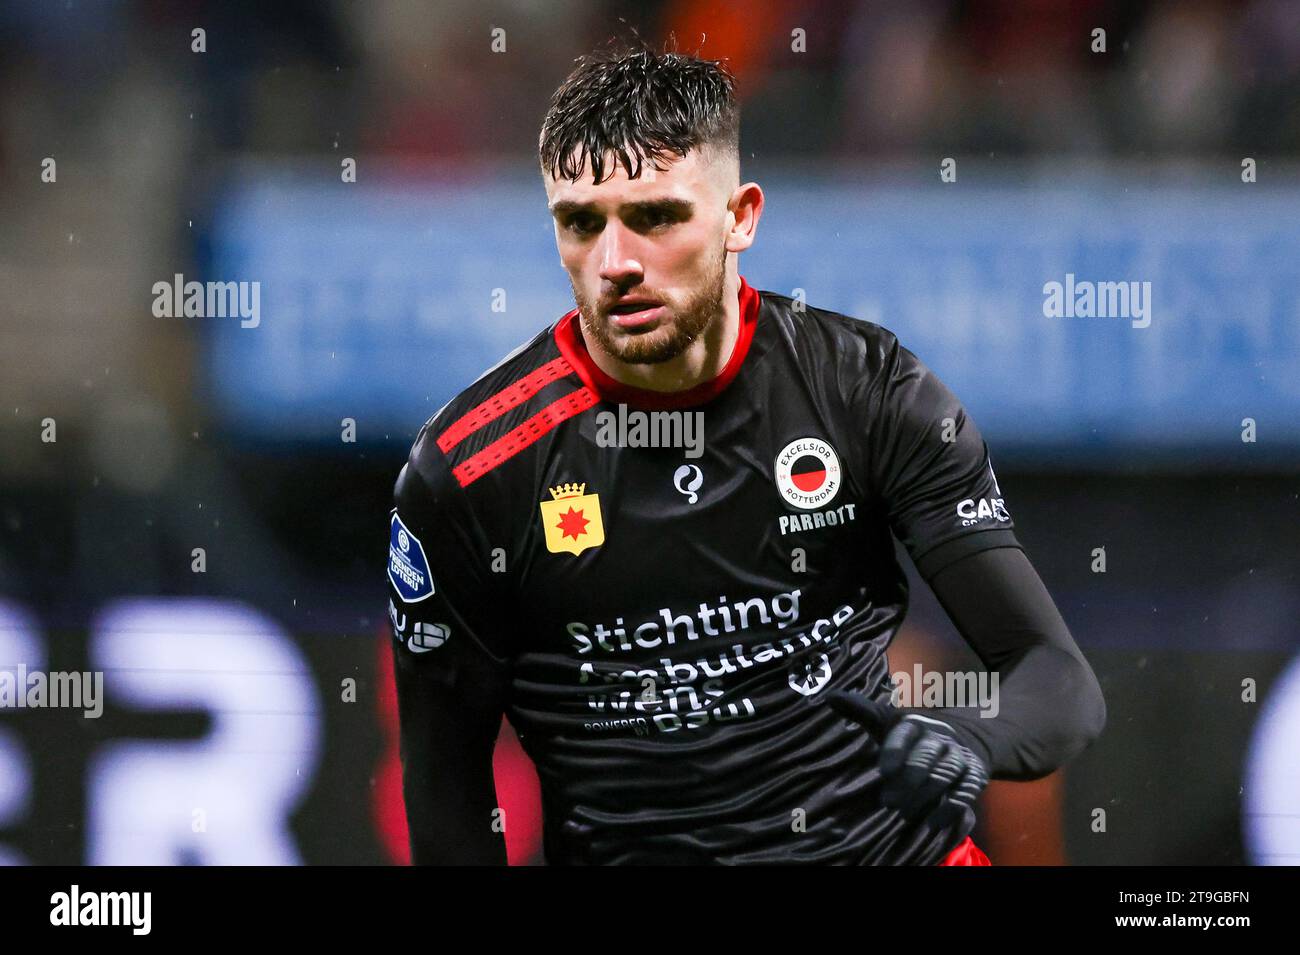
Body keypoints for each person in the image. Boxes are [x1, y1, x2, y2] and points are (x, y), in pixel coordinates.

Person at [386, 43, 1106, 865]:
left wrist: (974, 740)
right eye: (582, 223)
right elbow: (446, 787)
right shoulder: (469, 472)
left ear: (741, 217)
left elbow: (1059, 679)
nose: (617, 263)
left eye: (656, 216)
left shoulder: (867, 390)